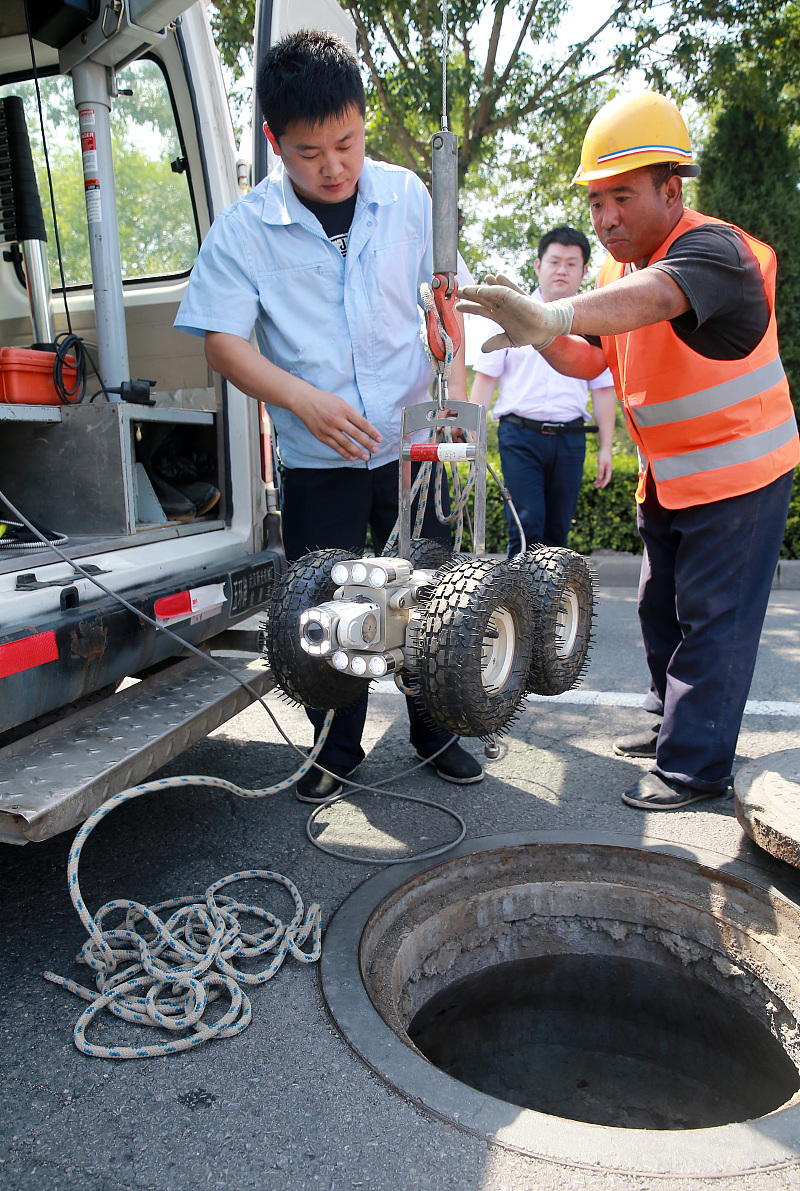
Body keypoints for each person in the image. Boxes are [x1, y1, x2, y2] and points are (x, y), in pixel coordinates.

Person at [457, 90, 799, 811]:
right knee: (659, 608)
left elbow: (661, 297)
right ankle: (668, 719)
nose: (606, 218)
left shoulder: (714, 251)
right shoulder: (618, 274)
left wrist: (552, 311)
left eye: (621, 197)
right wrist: (541, 332)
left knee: (713, 620)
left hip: (739, 475)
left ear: (672, 191)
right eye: (595, 202)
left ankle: (694, 767)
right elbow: (591, 358)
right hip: (672, 477)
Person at [174, 29, 484, 802]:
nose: (334, 166)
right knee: (328, 606)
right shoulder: (246, 228)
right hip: (320, 457)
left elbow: (446, 299)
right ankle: (335, 748)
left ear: (363, 122)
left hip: (412, 445)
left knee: (429, 593)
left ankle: (437, 732)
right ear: (275, 141)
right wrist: (300, 399)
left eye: (347, 143)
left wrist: (451, 364)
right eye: (309, 152)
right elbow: (221, 342)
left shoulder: (408, 197)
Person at [469, 226, 616, 553]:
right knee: (526, 525)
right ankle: (519, 588)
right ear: (538, 265)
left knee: (558, 533)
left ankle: (554, 589)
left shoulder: (593, 322)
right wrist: (471, 437)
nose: (562, 270)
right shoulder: (510, 314)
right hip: (520, 437)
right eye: (554, 262)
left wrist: (606, 447)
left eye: (571, 264)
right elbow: (486, 379)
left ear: (584, 270)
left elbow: (604, 389)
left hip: (571, 439)